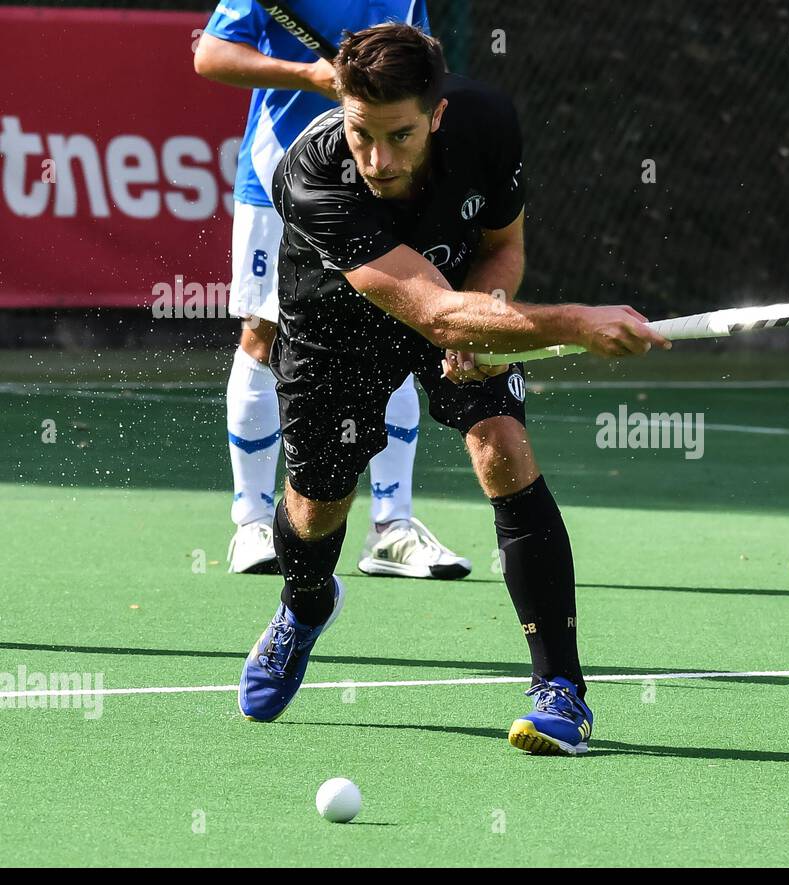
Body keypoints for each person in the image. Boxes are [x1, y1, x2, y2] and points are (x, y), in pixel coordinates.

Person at [236, 23, 669, 755]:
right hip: (334, 325)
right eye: (361, 132)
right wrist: (574, 323)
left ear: (435, 115)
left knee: (503, 448)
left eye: (400, 136)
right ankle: (305, 607)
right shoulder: (312, 176)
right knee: (314, 509)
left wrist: (483, 321)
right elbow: (429, 311)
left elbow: (502, 249)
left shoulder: (487, 123)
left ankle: (561, 690)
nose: (377, 158)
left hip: (459, 294)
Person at [195, 0, 470, 579]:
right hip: (278, 178)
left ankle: (392, 528)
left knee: (395, 330)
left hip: (379, 178)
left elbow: (415, 76)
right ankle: (252, 523)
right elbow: (210, 55)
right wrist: (309, 76)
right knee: (263, 335)